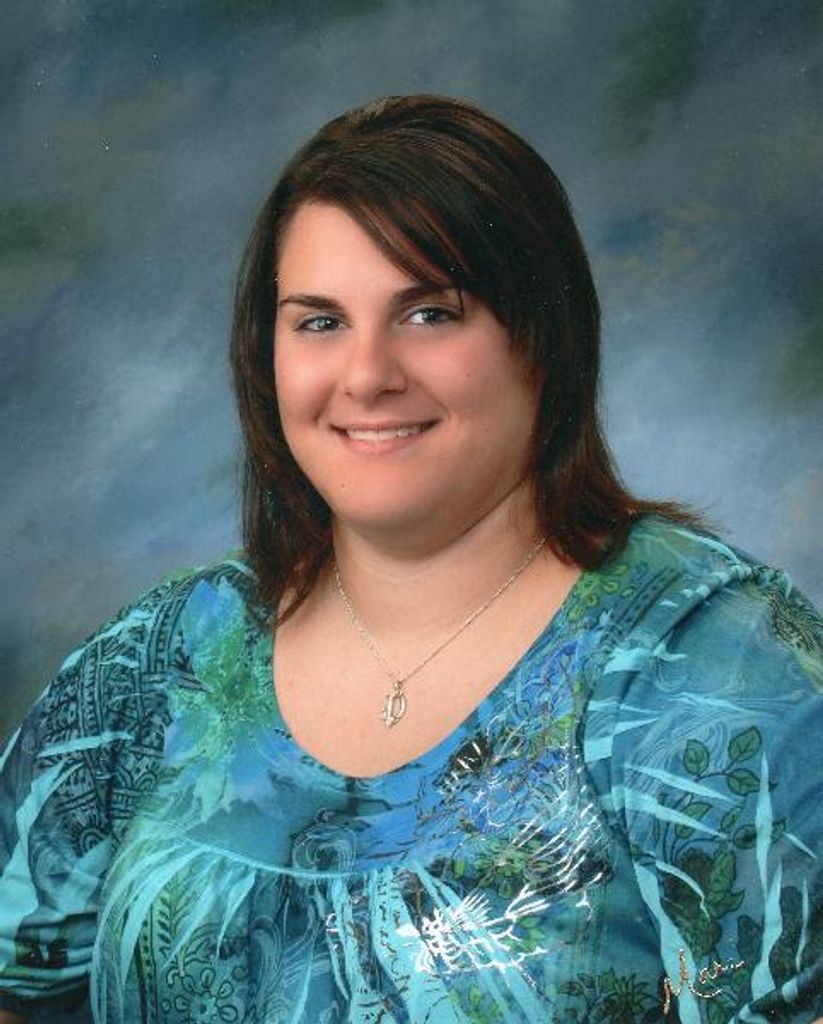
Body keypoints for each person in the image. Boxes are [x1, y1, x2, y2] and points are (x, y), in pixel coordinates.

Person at [1, 95, 822, 1024]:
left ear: (541, 339)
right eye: (319, 322)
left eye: (429, 313)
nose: (366, 376)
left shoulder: (717, 672)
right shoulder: (166, 656)